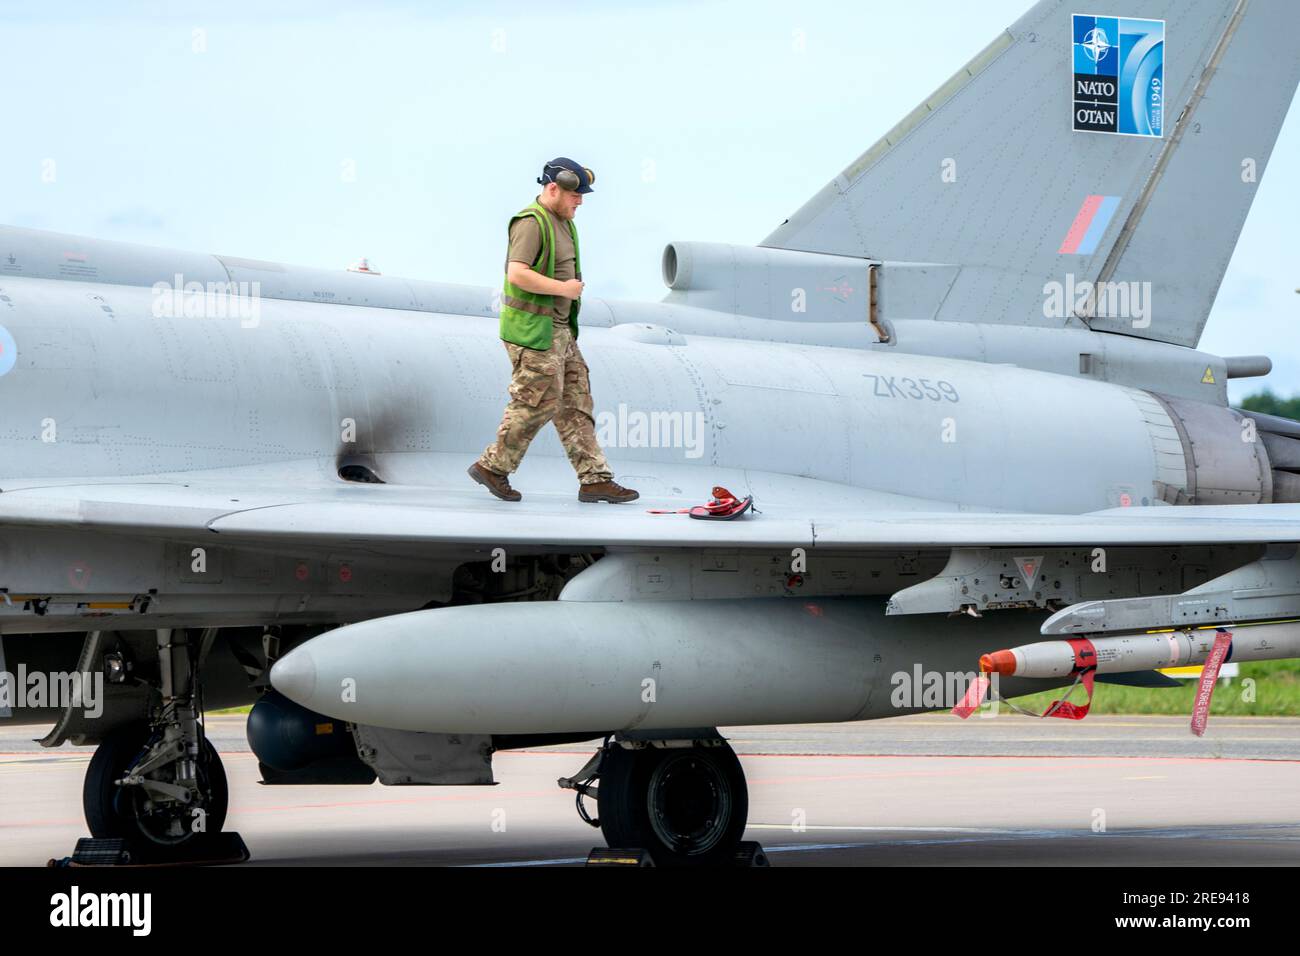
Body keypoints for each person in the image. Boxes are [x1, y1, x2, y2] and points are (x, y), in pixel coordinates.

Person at [468, 157, 639, 504]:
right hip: (533, 331)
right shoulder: (532, 222)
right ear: (553, 189)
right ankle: (492, 467)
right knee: (536, 402)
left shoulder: (564, 221)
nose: (580, 201)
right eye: (576, 195)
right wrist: (564, 290)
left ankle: (595, 480)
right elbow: (516, 273)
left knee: (576, 403)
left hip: (559, 330)